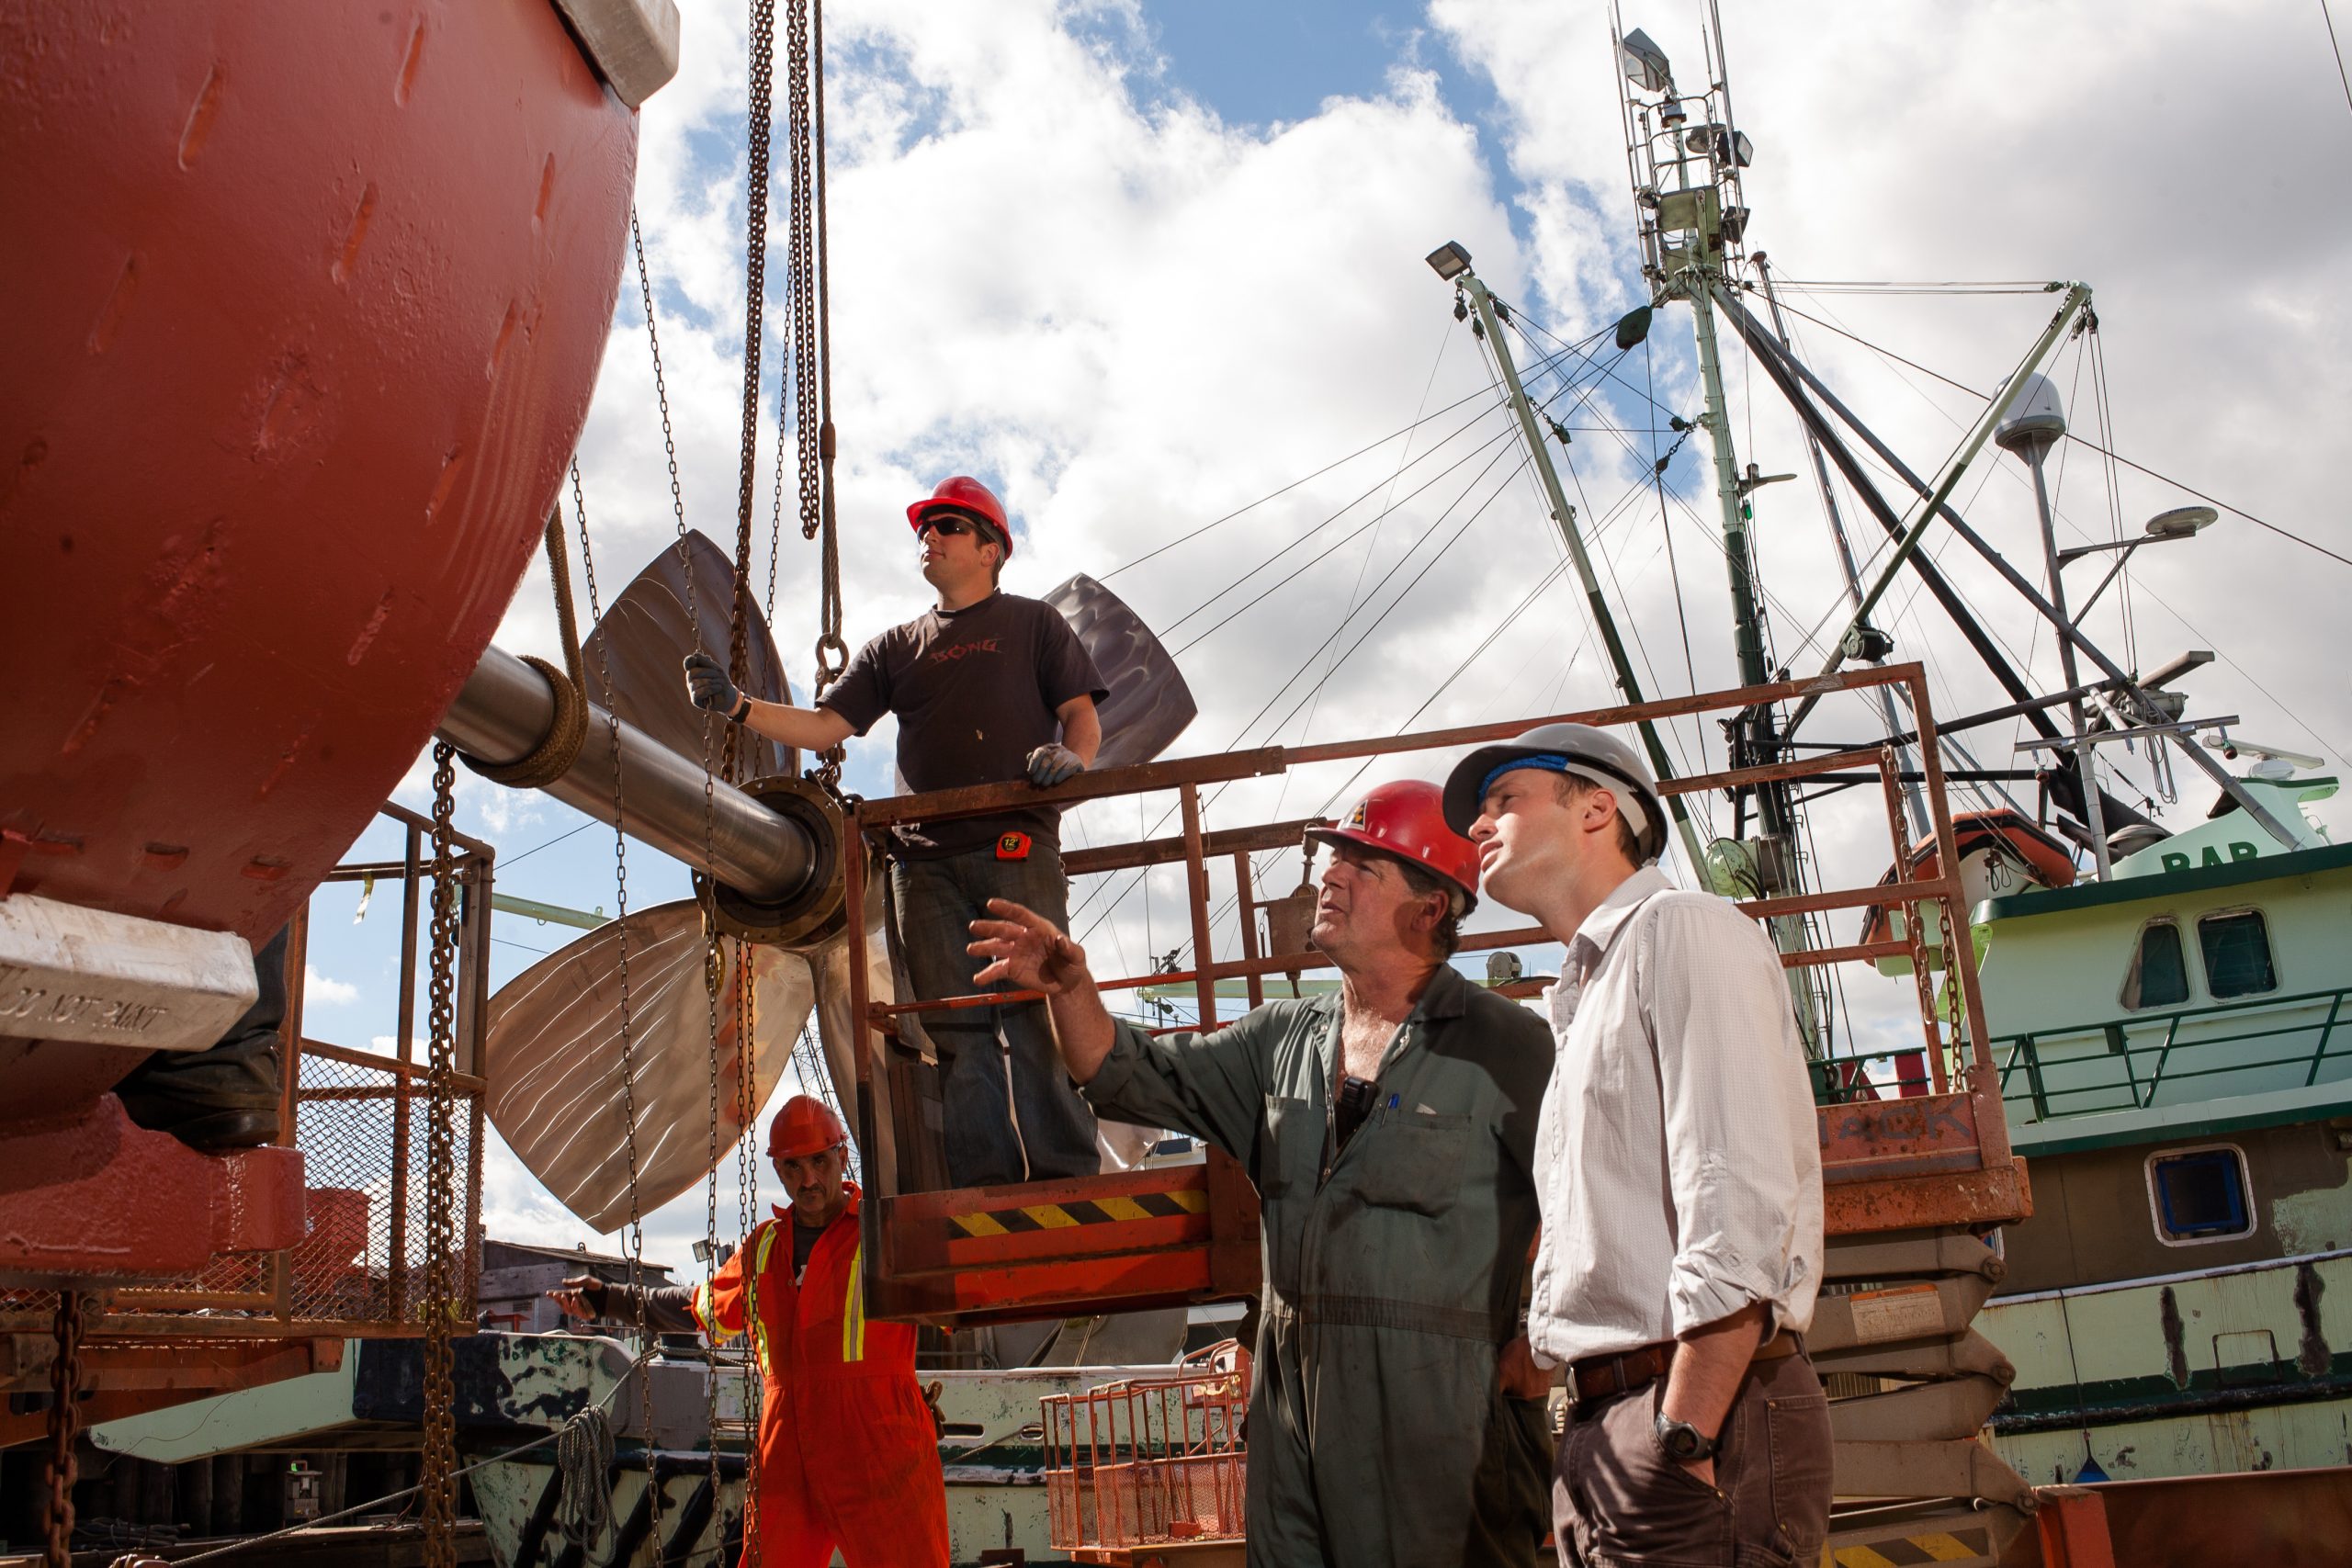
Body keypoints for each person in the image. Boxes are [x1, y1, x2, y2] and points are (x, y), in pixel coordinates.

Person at [967, 780, 1555, 1567]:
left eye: (1363, 866)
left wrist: (1546, 1347)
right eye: (1333, 858)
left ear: (1431, 907)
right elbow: (1126, 1070)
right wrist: (1072, 987)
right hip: (1292, 1433)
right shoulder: (1279, 1041)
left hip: (1441, 1435)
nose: (1329, 876)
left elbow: (1596, 1200)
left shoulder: (1509, 1045)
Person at [1441, 724, 1832, 1568]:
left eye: (1505, 799)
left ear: (1596, 808)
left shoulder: (1682, 929)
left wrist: (1683, 1434)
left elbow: (1738, 1193)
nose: (1478, 826)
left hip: (1689, 1417)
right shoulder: (1584, 993)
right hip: (1609, 1426)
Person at [682, 475, 1109, 1189]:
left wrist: (1076, 758)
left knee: (1034, 1011)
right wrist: (737, 707)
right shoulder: (897, 647)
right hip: (924, 863)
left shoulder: (1035, 625)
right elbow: (826, 728)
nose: (929, 536)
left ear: (992, 549)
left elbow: (1081, 716)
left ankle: (1066, 1176)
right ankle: (986, 1191)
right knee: (956, 1030)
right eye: (925, 527)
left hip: (1016, 845)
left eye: (947, 526)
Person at [549, 1095, 949, 1568]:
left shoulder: (885, 1234)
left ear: (842, 1156)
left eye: (819, 1161)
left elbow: (965, 1297)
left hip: (878, 1442)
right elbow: (695, 1306)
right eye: (792, 1167)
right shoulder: (764, 1249)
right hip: (786, 1447)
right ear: (779, 1171)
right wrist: (609, 1298)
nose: (809, 1180)